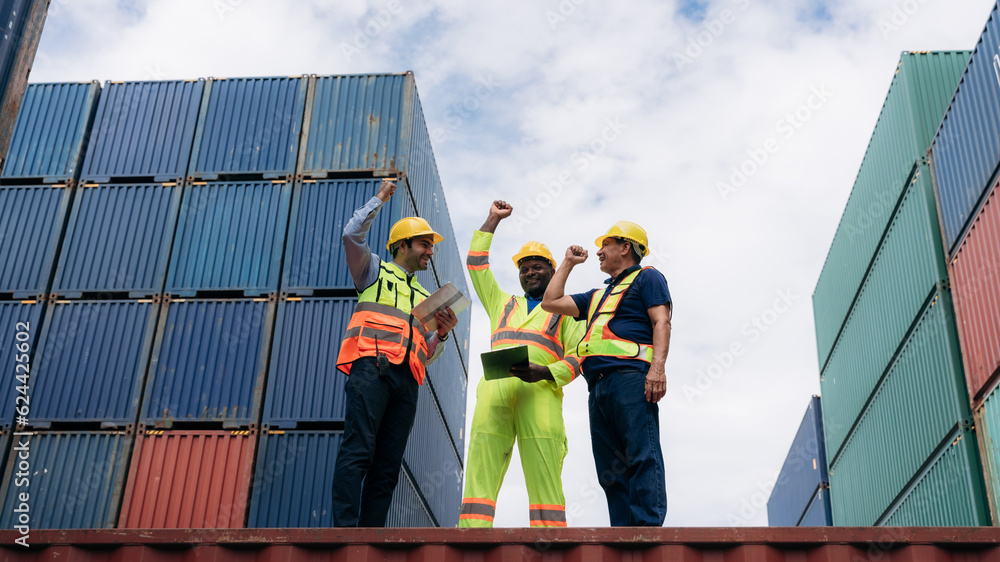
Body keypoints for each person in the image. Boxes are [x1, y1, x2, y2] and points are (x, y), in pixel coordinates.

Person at [332, 178, 458, 527]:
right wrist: (380, 198)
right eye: (424, 244)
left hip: (407, 382)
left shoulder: (424, 298)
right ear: (403, 245)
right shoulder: (372, 271)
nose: (430, 252)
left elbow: (426, 354)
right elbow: (350, 236)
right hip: (370, 369)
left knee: (388, 466)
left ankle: (369, 536)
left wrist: (442, 335)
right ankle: (343, 532)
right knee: (358, 450)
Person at [533, 221, 672, 527]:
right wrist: (568, 263)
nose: (598, 251)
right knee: (611, 468)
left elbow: (661, 322)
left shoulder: (648, 277)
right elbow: (550, 302)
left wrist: (657, 368)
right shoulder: (597, 296)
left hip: (631, 378)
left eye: (605, 244)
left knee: (641, 454)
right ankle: (622, 533)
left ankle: (647, 530)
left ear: (625, 247)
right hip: (597, 386)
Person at [459, 200, 585, 528]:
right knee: (481, 467)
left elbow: (579, 356)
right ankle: (472, 533)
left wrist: (548, 372)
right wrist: (492, 219)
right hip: (495, 396)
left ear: (552, 271)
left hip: (540, 395)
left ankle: (549, 539)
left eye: (538, 266)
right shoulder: (500, 301)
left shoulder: (566, 310)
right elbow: (476, 264)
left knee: (544, 470)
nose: (530, 271)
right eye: (524, 267)